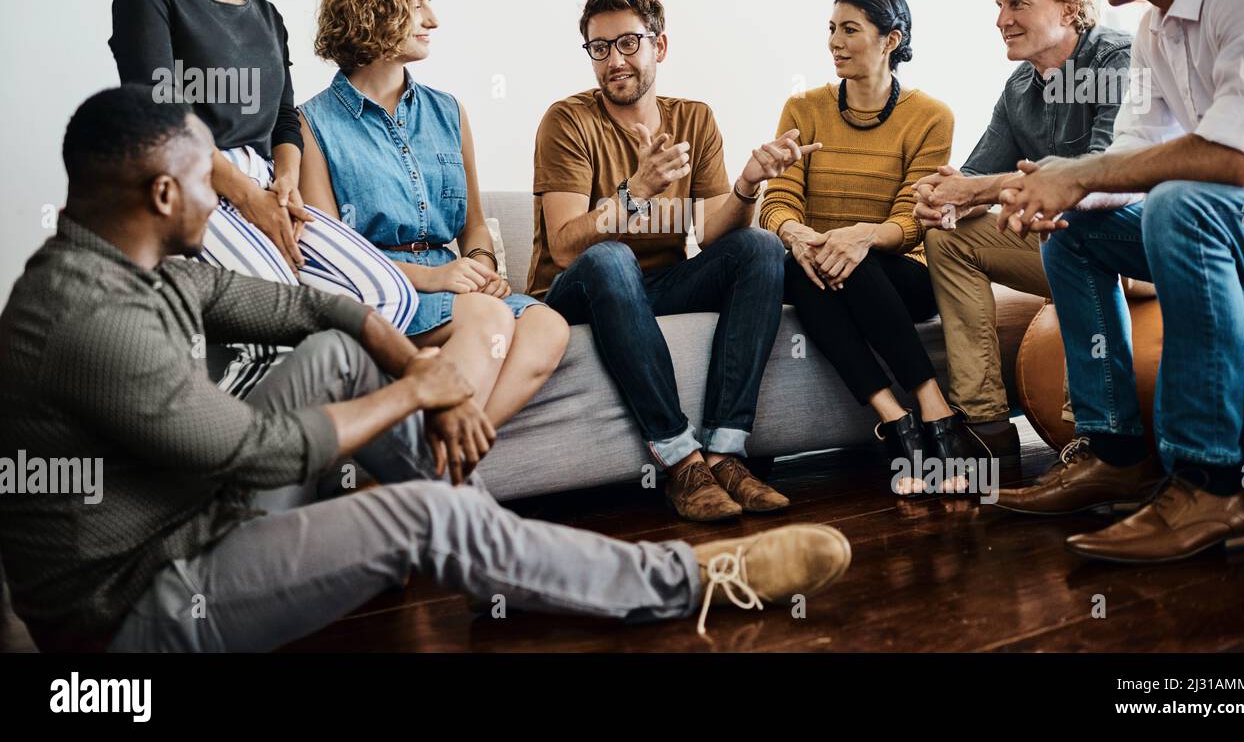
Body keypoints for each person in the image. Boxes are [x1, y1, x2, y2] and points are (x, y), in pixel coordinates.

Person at [0, 86, 851, 652]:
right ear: (161, 197)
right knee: (419, 518)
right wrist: (417, 388)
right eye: (208, 184)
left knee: (337, 351)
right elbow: (253, 452)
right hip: (132, 611)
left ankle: (489, 549)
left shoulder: (146, 265)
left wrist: (425, 378)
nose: (223, 199)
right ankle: (690, 577)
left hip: (195, 522)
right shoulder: (88, 316)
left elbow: (313, 307)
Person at [993, 0, 1244, 563]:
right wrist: (1056, 191)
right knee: (1075, 228)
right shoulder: (1157, 28)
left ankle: (1209, 481)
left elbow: (1237, 157)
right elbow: (1130, 155)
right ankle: (1117, 450)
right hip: (1239, 215)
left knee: (1181, 206)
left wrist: (1080, 172)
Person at [109, 0, 416, 397]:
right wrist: (248, 196)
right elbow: (160, 119)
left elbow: (284, 122)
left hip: (265, 184)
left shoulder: (266, 16)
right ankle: (223, 455)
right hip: (194, 184)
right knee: (276, 329)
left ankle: (318, 448)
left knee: (388, 296)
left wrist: (284, 184)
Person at [528, 0, 815, 521]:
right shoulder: (567, 121)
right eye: (600, 47)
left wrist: (747, 186)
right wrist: (634, 192)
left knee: (757, 246)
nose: (614, 59)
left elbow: (710, 234)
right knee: (611, 258)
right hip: (576, 293)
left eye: (628, 43)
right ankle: (682, 463)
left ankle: (726, 453)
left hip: (654, 290)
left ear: (659, 47)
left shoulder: (695, 120)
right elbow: (566, 247)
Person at [299, 0, 570, 431]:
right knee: (488, 319)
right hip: (379, 291)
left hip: (457, 285)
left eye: (431, 3)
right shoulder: (311, 123)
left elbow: (473, 224)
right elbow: (326, 253)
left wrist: (483, 267)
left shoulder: (448, 112)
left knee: (548, 326)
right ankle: (437, 479)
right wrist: (432, 278)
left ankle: (438, 468)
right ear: (373, 11)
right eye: (416, 4)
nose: (433, 20)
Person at [914, 0, 1131, 458]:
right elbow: (975, 175)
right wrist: (943, 198)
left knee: (1076, 223)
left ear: (1069, 9)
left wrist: (978, 190)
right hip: (1060, 244)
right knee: (946, 237)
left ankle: (1096, 437)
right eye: (999, 6)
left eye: (1017, 5)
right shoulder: (1019, 88)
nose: (1001, 20)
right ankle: (986, 427)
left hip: (1129, 243)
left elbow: (1103, 174)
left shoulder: (1114, 59)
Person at [762, 0, 973, 495]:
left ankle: (928, 409)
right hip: (821, 266)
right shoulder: (803, 108)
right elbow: (778, 201)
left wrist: (861, 237)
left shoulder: (930, 115)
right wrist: (798, 234)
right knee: (802, 266)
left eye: (850, 29)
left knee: (850, 262)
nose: (834, 41)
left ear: (890, 39)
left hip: (902, 271)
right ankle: (902, 419)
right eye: (831, 29)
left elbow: (913, 219)